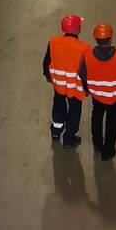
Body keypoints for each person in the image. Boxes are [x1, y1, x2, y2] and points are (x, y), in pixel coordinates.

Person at [79, 24, 116, 161]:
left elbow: (82, 75)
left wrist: (87, 90)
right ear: (110, 39)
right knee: (113, 122)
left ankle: (97, 143)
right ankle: (108, 150)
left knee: (97, 118)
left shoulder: (87, 57)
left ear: (96, 39)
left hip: (98, 96)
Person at [42, 14, 90, 148]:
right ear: (76, 30)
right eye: (79, 25)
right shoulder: (85, 48)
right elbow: (86, 72)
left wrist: (48, 76)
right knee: (75, 111)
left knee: (58, 105)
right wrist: (87, 89)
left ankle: (56, 131)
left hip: (59, 85)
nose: (80, 26)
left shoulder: (53, 42)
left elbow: (47, 61)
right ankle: (69, 139)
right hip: (75, 87)